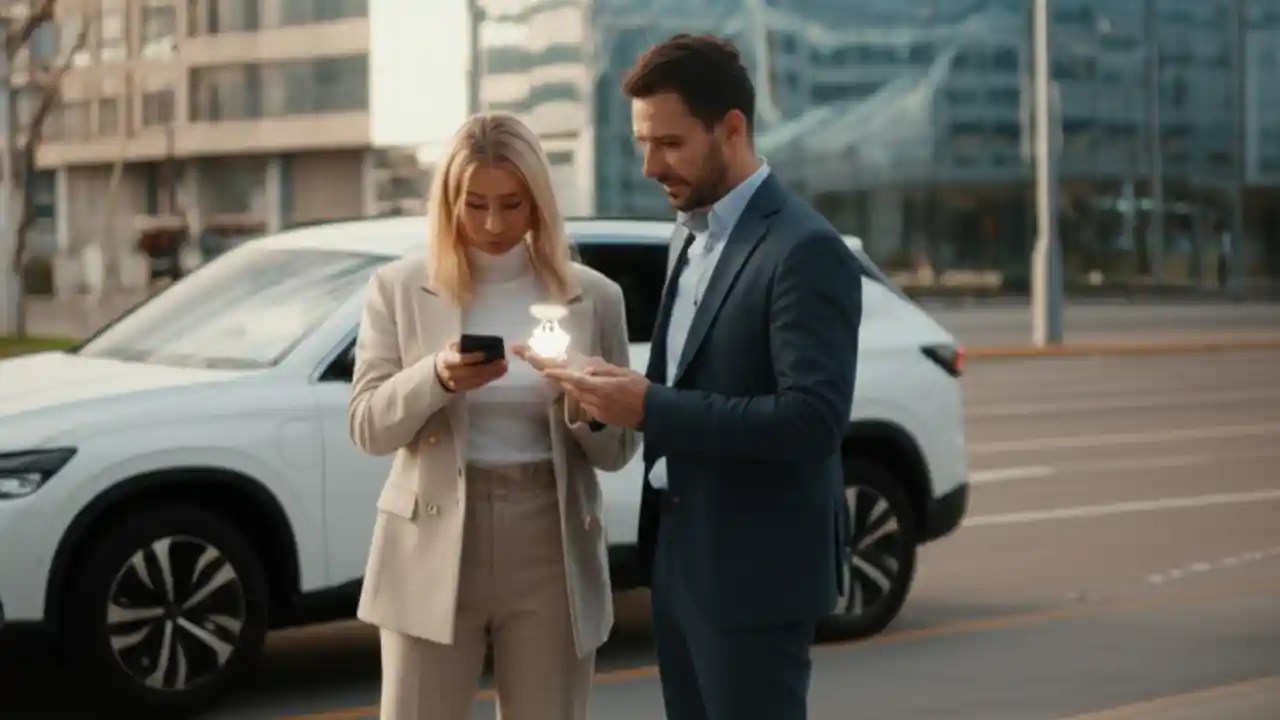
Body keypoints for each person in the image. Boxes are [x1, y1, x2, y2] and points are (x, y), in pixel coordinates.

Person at [542, 34, 863, 720]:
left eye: (670, 143)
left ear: (733, 129)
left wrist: (649, 407)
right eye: (642, 143)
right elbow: (692, 381)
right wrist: (608, 392)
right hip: (679, 560)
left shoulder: (805, 249)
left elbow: (812, 420)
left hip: (755, 575)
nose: (650, 165)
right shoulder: (687, 236)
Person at [347, 112, 638, 720]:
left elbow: (616, 453)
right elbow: (368, 426)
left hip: (550, 536)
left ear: (539, 202)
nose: (493, 224)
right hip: (428, 538)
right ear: (448, 202)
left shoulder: (594, 296)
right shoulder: (398, 288)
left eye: (512, 204)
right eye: (475, 204)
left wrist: (581, 397)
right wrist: (435, 377)